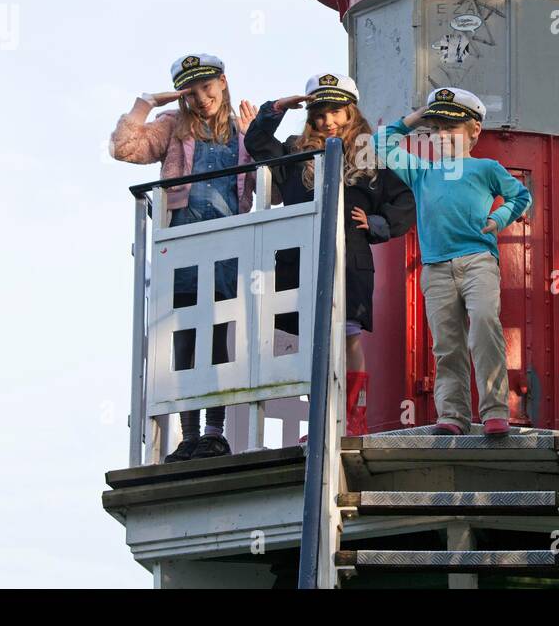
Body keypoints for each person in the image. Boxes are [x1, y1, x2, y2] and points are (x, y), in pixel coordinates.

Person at [243, 73, 415, 435]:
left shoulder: (370, 158)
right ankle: (321, 418)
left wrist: (377, 223)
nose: (327, 121)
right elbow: (256, 141)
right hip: (299, 262)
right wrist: (277, 109)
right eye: (319, 113)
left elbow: (404, 200)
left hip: (349, 263)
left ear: (351, 111)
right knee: (310, 342)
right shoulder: (293, 150)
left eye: (335, 111)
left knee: (348, 337)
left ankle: (354, 418)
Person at [109, 53, 255, 461]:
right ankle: (188, 434)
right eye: (191, 92)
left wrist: (262, 133)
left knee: (219, 335)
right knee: (186, 335)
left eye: (207, 88)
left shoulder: (243, 130)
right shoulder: (174, 126)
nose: (201, 98)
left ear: (223, 82)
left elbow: (271, 187)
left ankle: (214, 430)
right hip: (184, 244)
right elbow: (124, 148)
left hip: (228, 245)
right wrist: (146, 103)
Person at [372, 87, 531, 436]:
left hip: (477, 261)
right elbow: (379, 145)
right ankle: (453, 415)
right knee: (446, 345)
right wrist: (417, 117)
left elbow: (521, 195)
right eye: (438, 128)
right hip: (436, 267)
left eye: (452, 128)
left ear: (474, 130)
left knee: (485, 326)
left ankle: (494, 411)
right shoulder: (421, 171)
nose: (443, 135)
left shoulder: (486, 168)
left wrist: (500, 218)